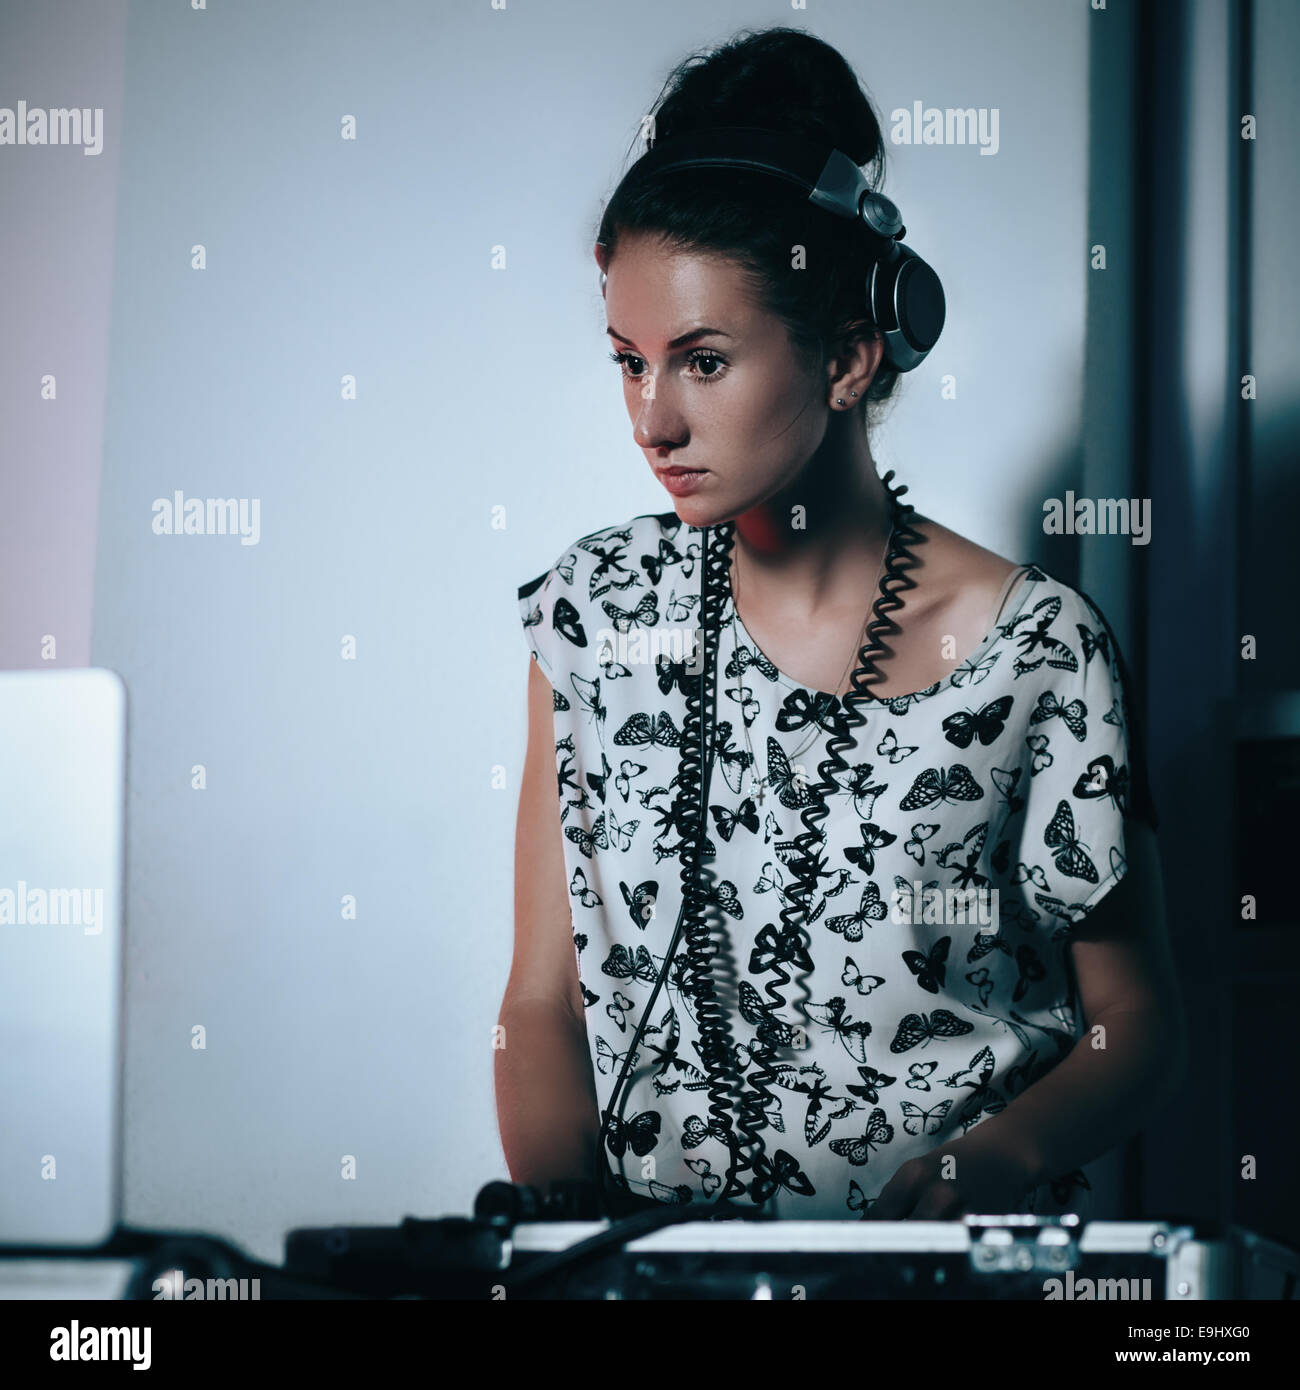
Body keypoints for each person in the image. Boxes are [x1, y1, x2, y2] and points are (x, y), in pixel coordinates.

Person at [495, 26, 1186, 1220]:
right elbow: (538, 1002)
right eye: (628, 362)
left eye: (702, 363)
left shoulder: (1036, 649)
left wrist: (1000, 1159)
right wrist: (566, 1238)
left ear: (849, 359)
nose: (651, 419)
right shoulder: (594, 612)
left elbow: (1140, 1020)